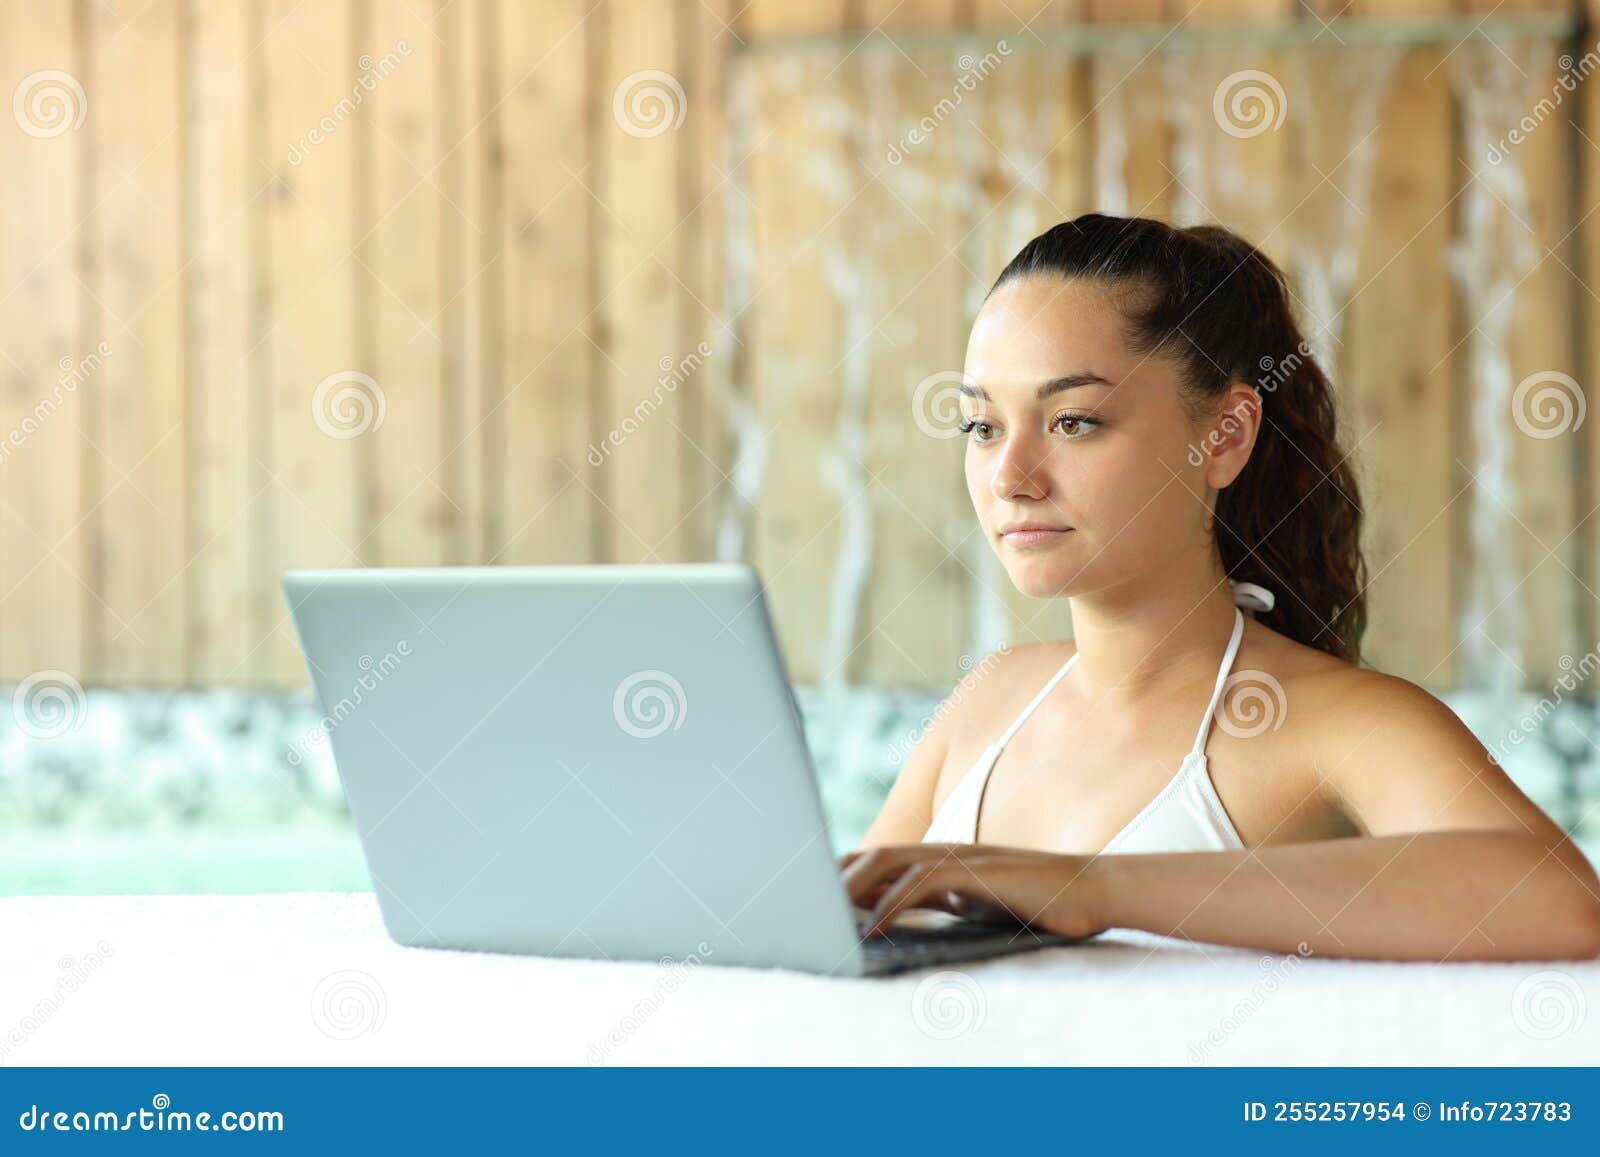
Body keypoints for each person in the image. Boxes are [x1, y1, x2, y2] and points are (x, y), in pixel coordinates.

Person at [840, 214, 1600, 962]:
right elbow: (838, 933)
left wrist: (1095, 888)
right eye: (982, 427)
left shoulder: (1342, 721)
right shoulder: (987, 700)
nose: (1011, 477)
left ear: (1226, 435)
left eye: (1072, 420)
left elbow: (1560, 901)